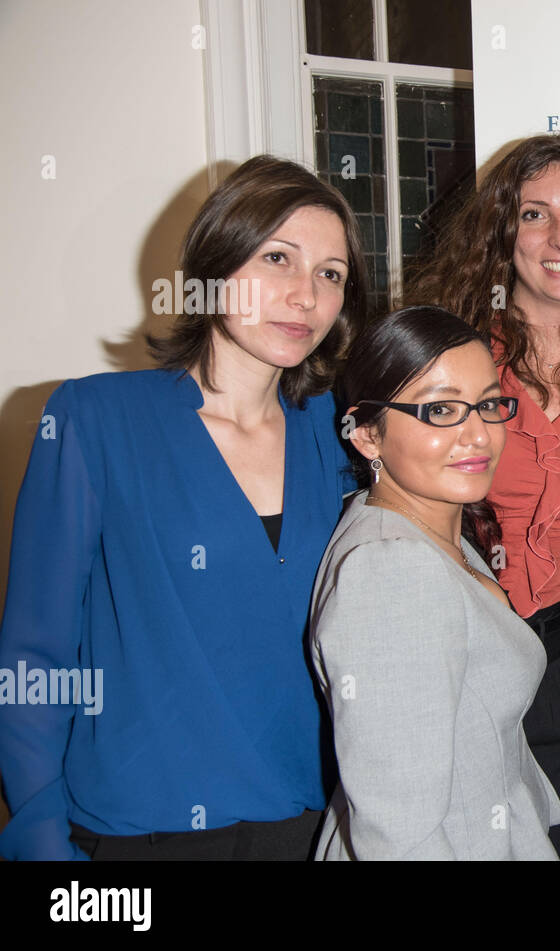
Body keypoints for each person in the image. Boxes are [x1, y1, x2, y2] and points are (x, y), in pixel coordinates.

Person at [0, 155, 367, 860]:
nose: (305, 294)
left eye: (331, 274)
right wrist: (41, 839)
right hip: (137, 829)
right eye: (278, 258)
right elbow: (36, 650)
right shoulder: (94, 420)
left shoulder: (335, 433)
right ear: (215, 264)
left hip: (308, 820)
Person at [403, 135, 560, 857]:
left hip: (553, 664)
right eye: (534, 214)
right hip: (446, 649)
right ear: (502, 231)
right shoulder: (443, 359)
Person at [311, 305, 560, 860]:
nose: (479, 435)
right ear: (368, 436)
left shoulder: (430, 527)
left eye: (488, 404)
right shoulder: (392, 567)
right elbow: (399, 832)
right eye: (442, 409)